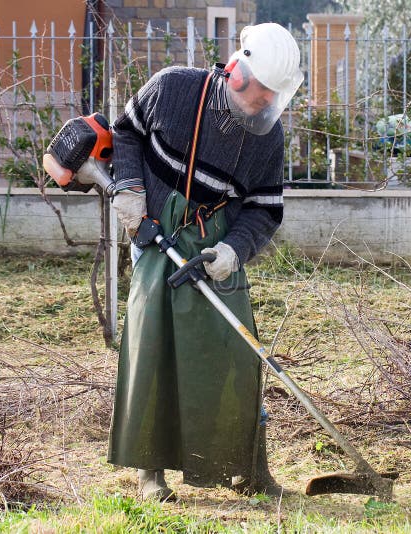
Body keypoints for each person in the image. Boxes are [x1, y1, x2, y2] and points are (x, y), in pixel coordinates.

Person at [107, 22, 303, 501]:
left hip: (217, 247)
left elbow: (264, 208)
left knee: (238, 354)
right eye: (262, 93)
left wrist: (234, 251)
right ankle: (150, 473)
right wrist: (129, 189)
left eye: (275, 97)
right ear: (237, 72)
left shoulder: (267, 136)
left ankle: (250, 467)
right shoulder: (172, 87)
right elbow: (126, 134)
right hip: (155, 236)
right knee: (153, 349)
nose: (266, 105)